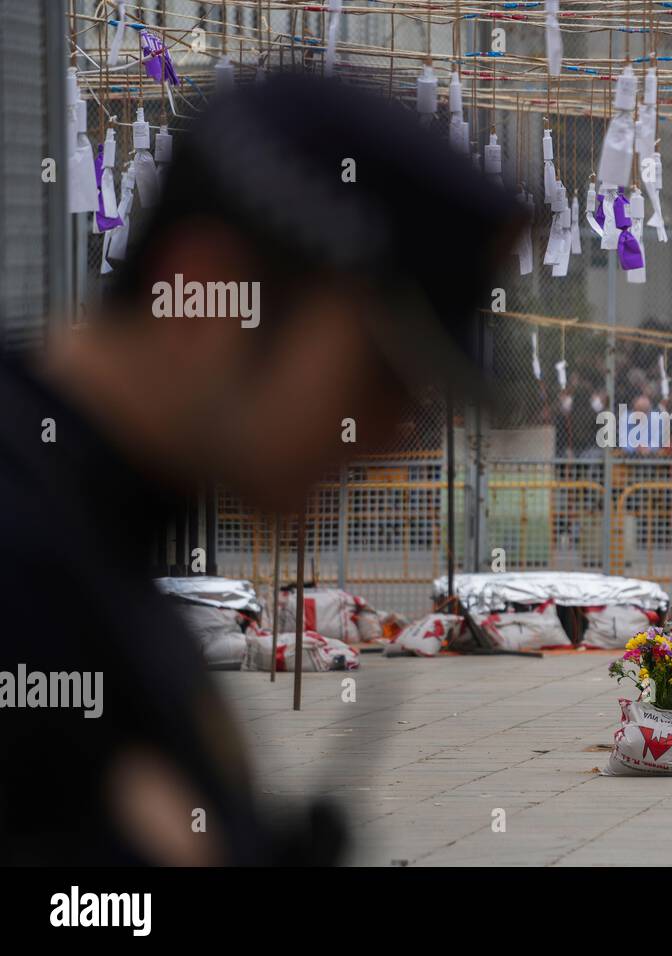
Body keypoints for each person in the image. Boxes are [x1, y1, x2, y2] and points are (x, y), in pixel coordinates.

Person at [0, 74, 522, 864]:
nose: (384, 438)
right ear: (208, 296)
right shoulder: (28, 560)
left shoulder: (97, 551)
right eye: (378, 378)